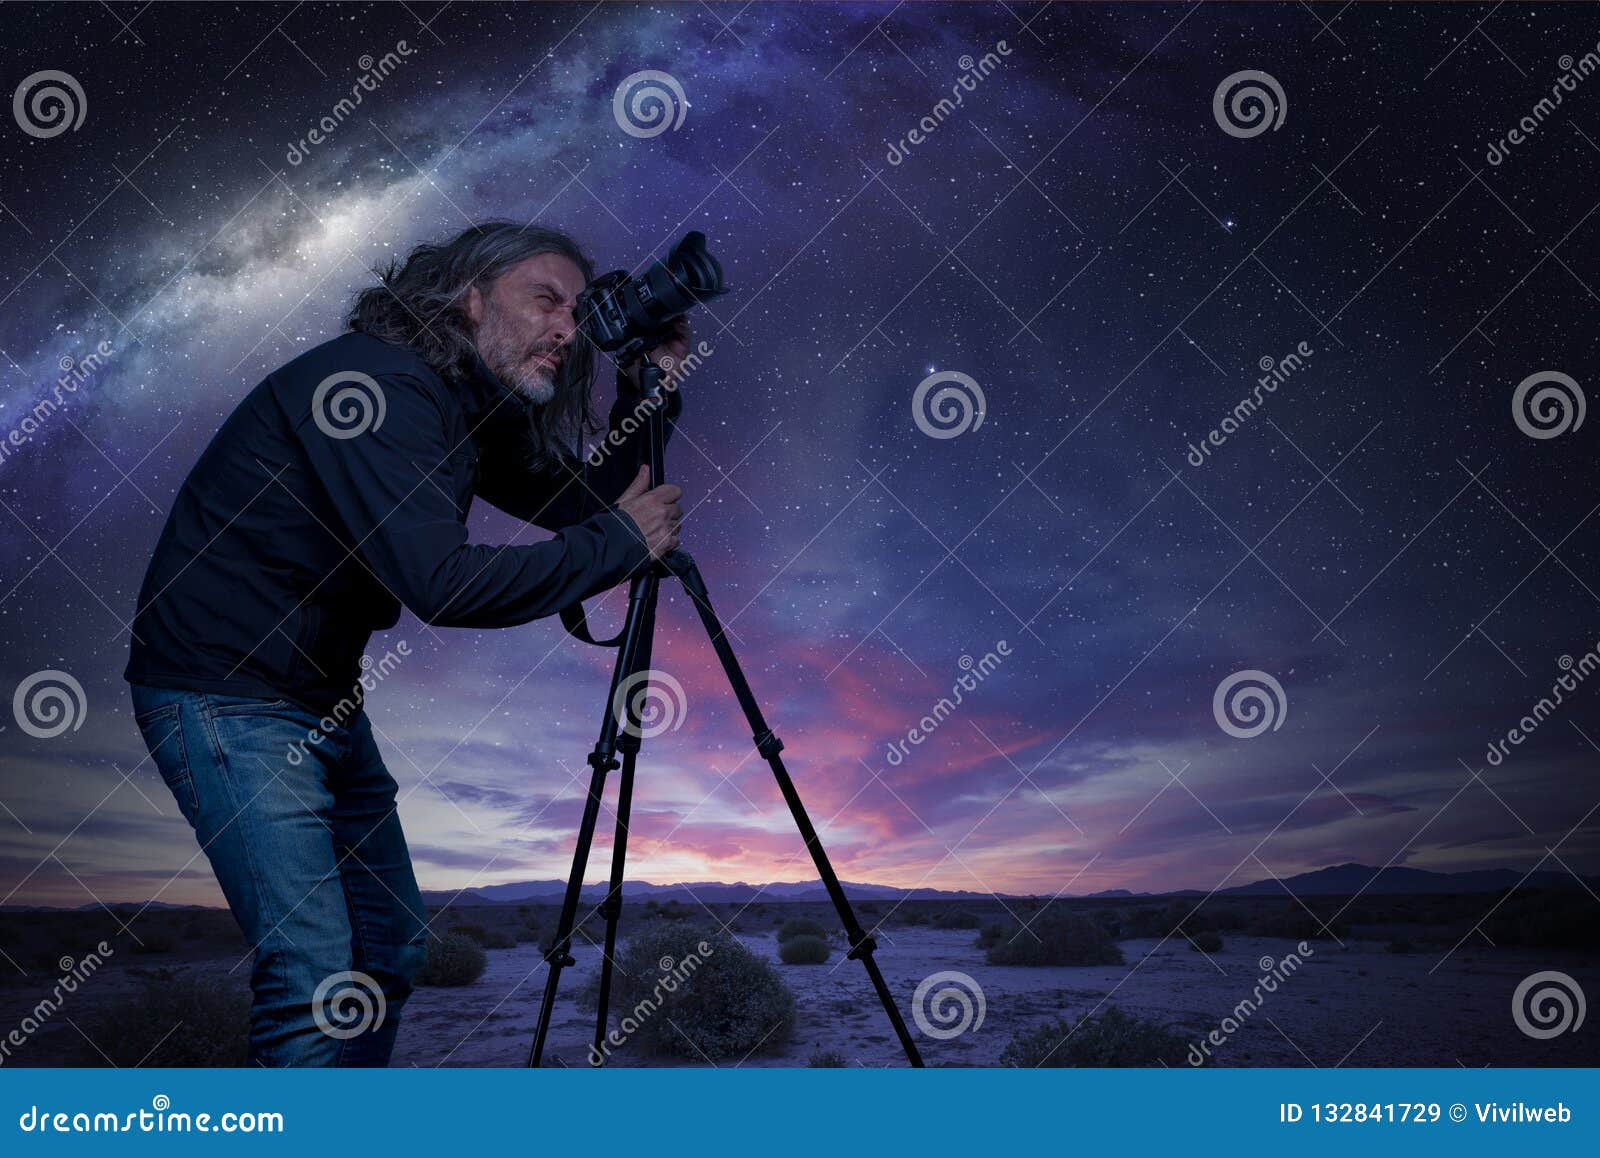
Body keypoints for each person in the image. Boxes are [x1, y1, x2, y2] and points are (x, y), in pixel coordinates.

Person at [123, 221, 685, 1065]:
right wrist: (618, 546)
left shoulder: (463, 405)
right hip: (225, 698)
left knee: (386, 952)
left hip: (316, 701)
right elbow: (446, 583)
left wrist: (650, 390)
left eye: (578, 311)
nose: (570, 331)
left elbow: (590, 506)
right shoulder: (378, 386)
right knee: (316, 978)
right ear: (468, 299)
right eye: (545, 300)